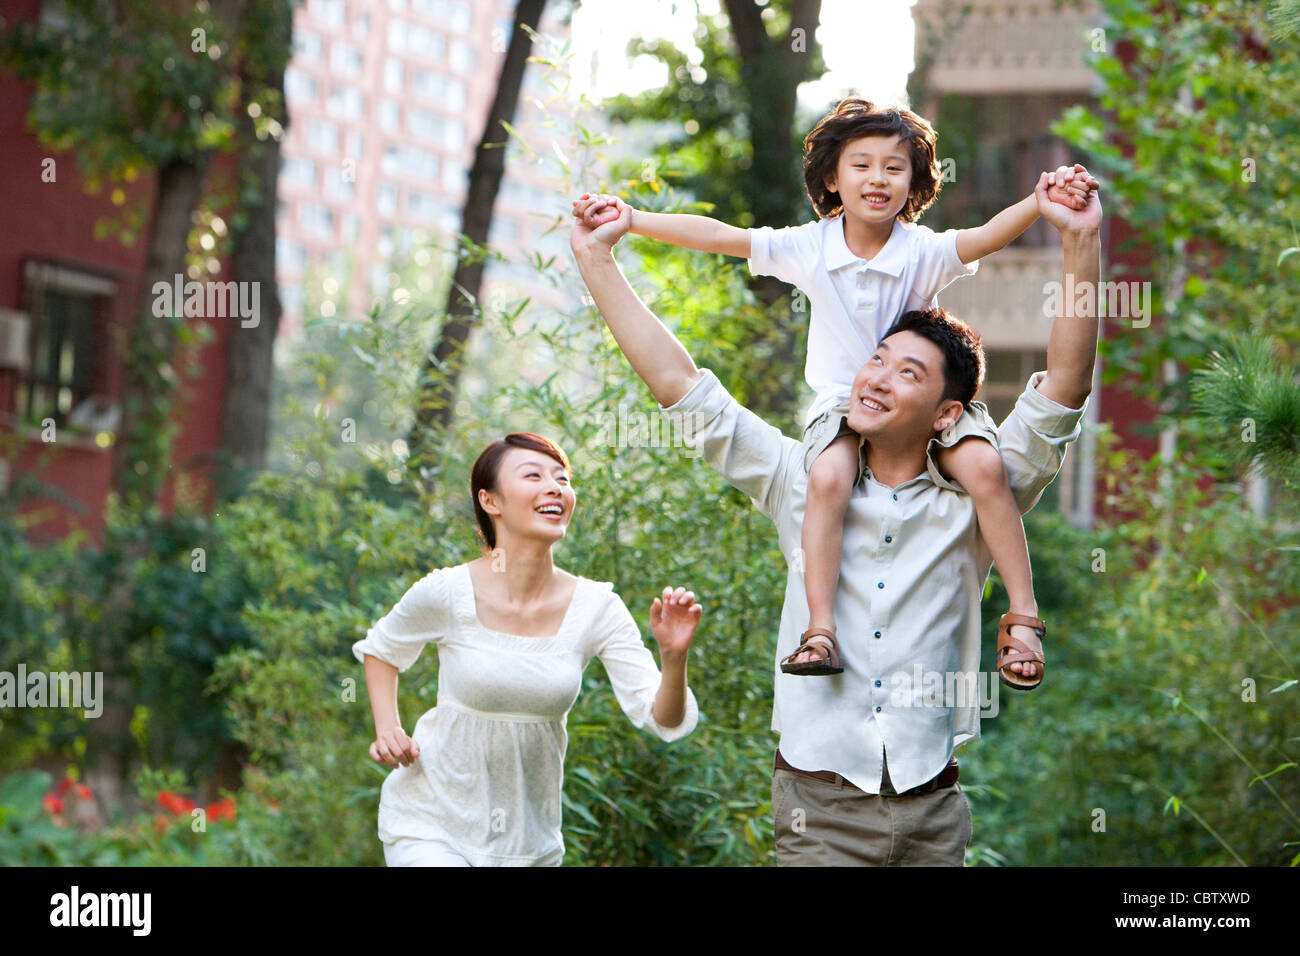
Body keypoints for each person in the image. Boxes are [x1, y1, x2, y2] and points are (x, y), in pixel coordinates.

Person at [570, 171, 1102, 865]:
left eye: (909, 373)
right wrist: (596, 259)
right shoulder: (802, 480)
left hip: (933, 805)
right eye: (876, 360)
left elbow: (1066, 387)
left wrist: (1081, 243)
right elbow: (683, 388)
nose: (877, 377)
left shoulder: (981, 495)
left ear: (948, 413)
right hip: (817, 807)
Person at [574, 99, 1096, 688]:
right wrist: (634, 219)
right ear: (831, 178)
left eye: (895, 168)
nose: (878, 179)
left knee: (984, 466)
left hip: (925, 409)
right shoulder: (809, 246)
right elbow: (723, 236)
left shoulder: (921, 250)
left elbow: (985, 236)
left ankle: (1023, 616)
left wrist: (1039, 205)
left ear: (915, 184)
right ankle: (820, 628)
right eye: (862, 165)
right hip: (838, 405)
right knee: (825, 480)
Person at [353, 432, 701, 866]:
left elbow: (661, 717)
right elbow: (381, 650)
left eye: (562, 477)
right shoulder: (448, 591)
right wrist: (388, 728)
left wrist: (674, 657)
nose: (555, 487)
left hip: (527, 843)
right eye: (533, 475)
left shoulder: (596, 607)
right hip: (431, 823)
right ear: (491, 501)